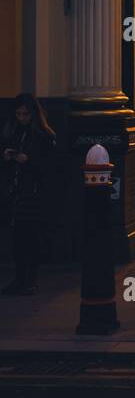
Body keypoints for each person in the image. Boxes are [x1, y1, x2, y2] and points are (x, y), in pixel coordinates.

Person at [2, 93, 56, 297]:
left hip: (33, 192)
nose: (22, 118)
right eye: (18, 114)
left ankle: (29, 280)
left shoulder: (42, 136)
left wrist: (28, 160)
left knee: (30, 238)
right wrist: (8, 157)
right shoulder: (16, 132)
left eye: (25, 114)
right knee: (18, 238)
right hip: (18, 190)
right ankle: (20, 279)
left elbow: (49, 168)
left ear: (33, 114)